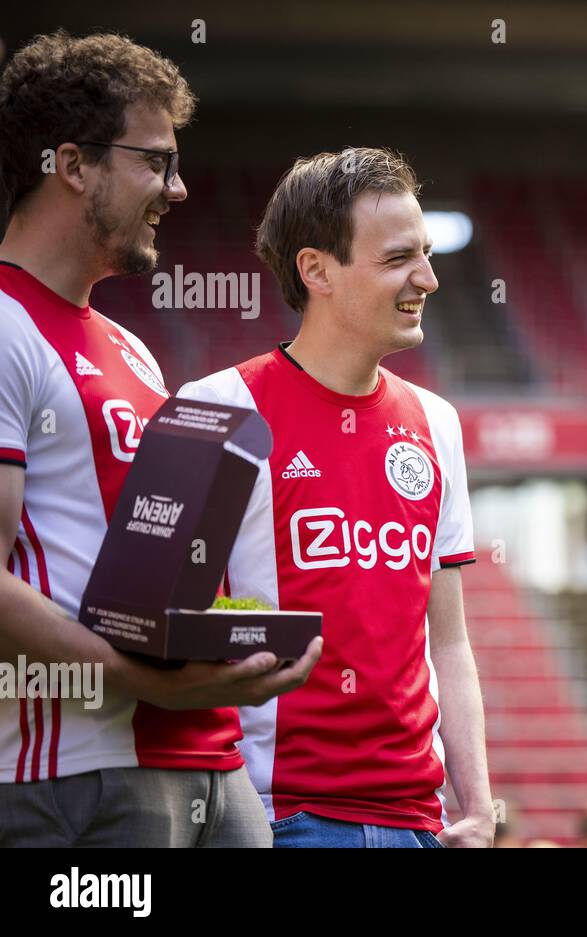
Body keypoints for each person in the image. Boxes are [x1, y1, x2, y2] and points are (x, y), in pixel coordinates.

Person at [0, 31, 319, 847]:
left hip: (211, 762)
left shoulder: (132, 349)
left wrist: (229, 636)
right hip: (79, 768)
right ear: (72, 165)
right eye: (157, 161)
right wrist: (146, 683)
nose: (177, 190)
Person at [178, 148, 493, 847]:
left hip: (420, 824)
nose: (429, 279)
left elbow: (449, 639)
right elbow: (163, 620)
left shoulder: (437, 423)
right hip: (278, 813)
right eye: (398, 259)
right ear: (316, 270)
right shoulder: (218, 409)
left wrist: (477, 803)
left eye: (429, 254)